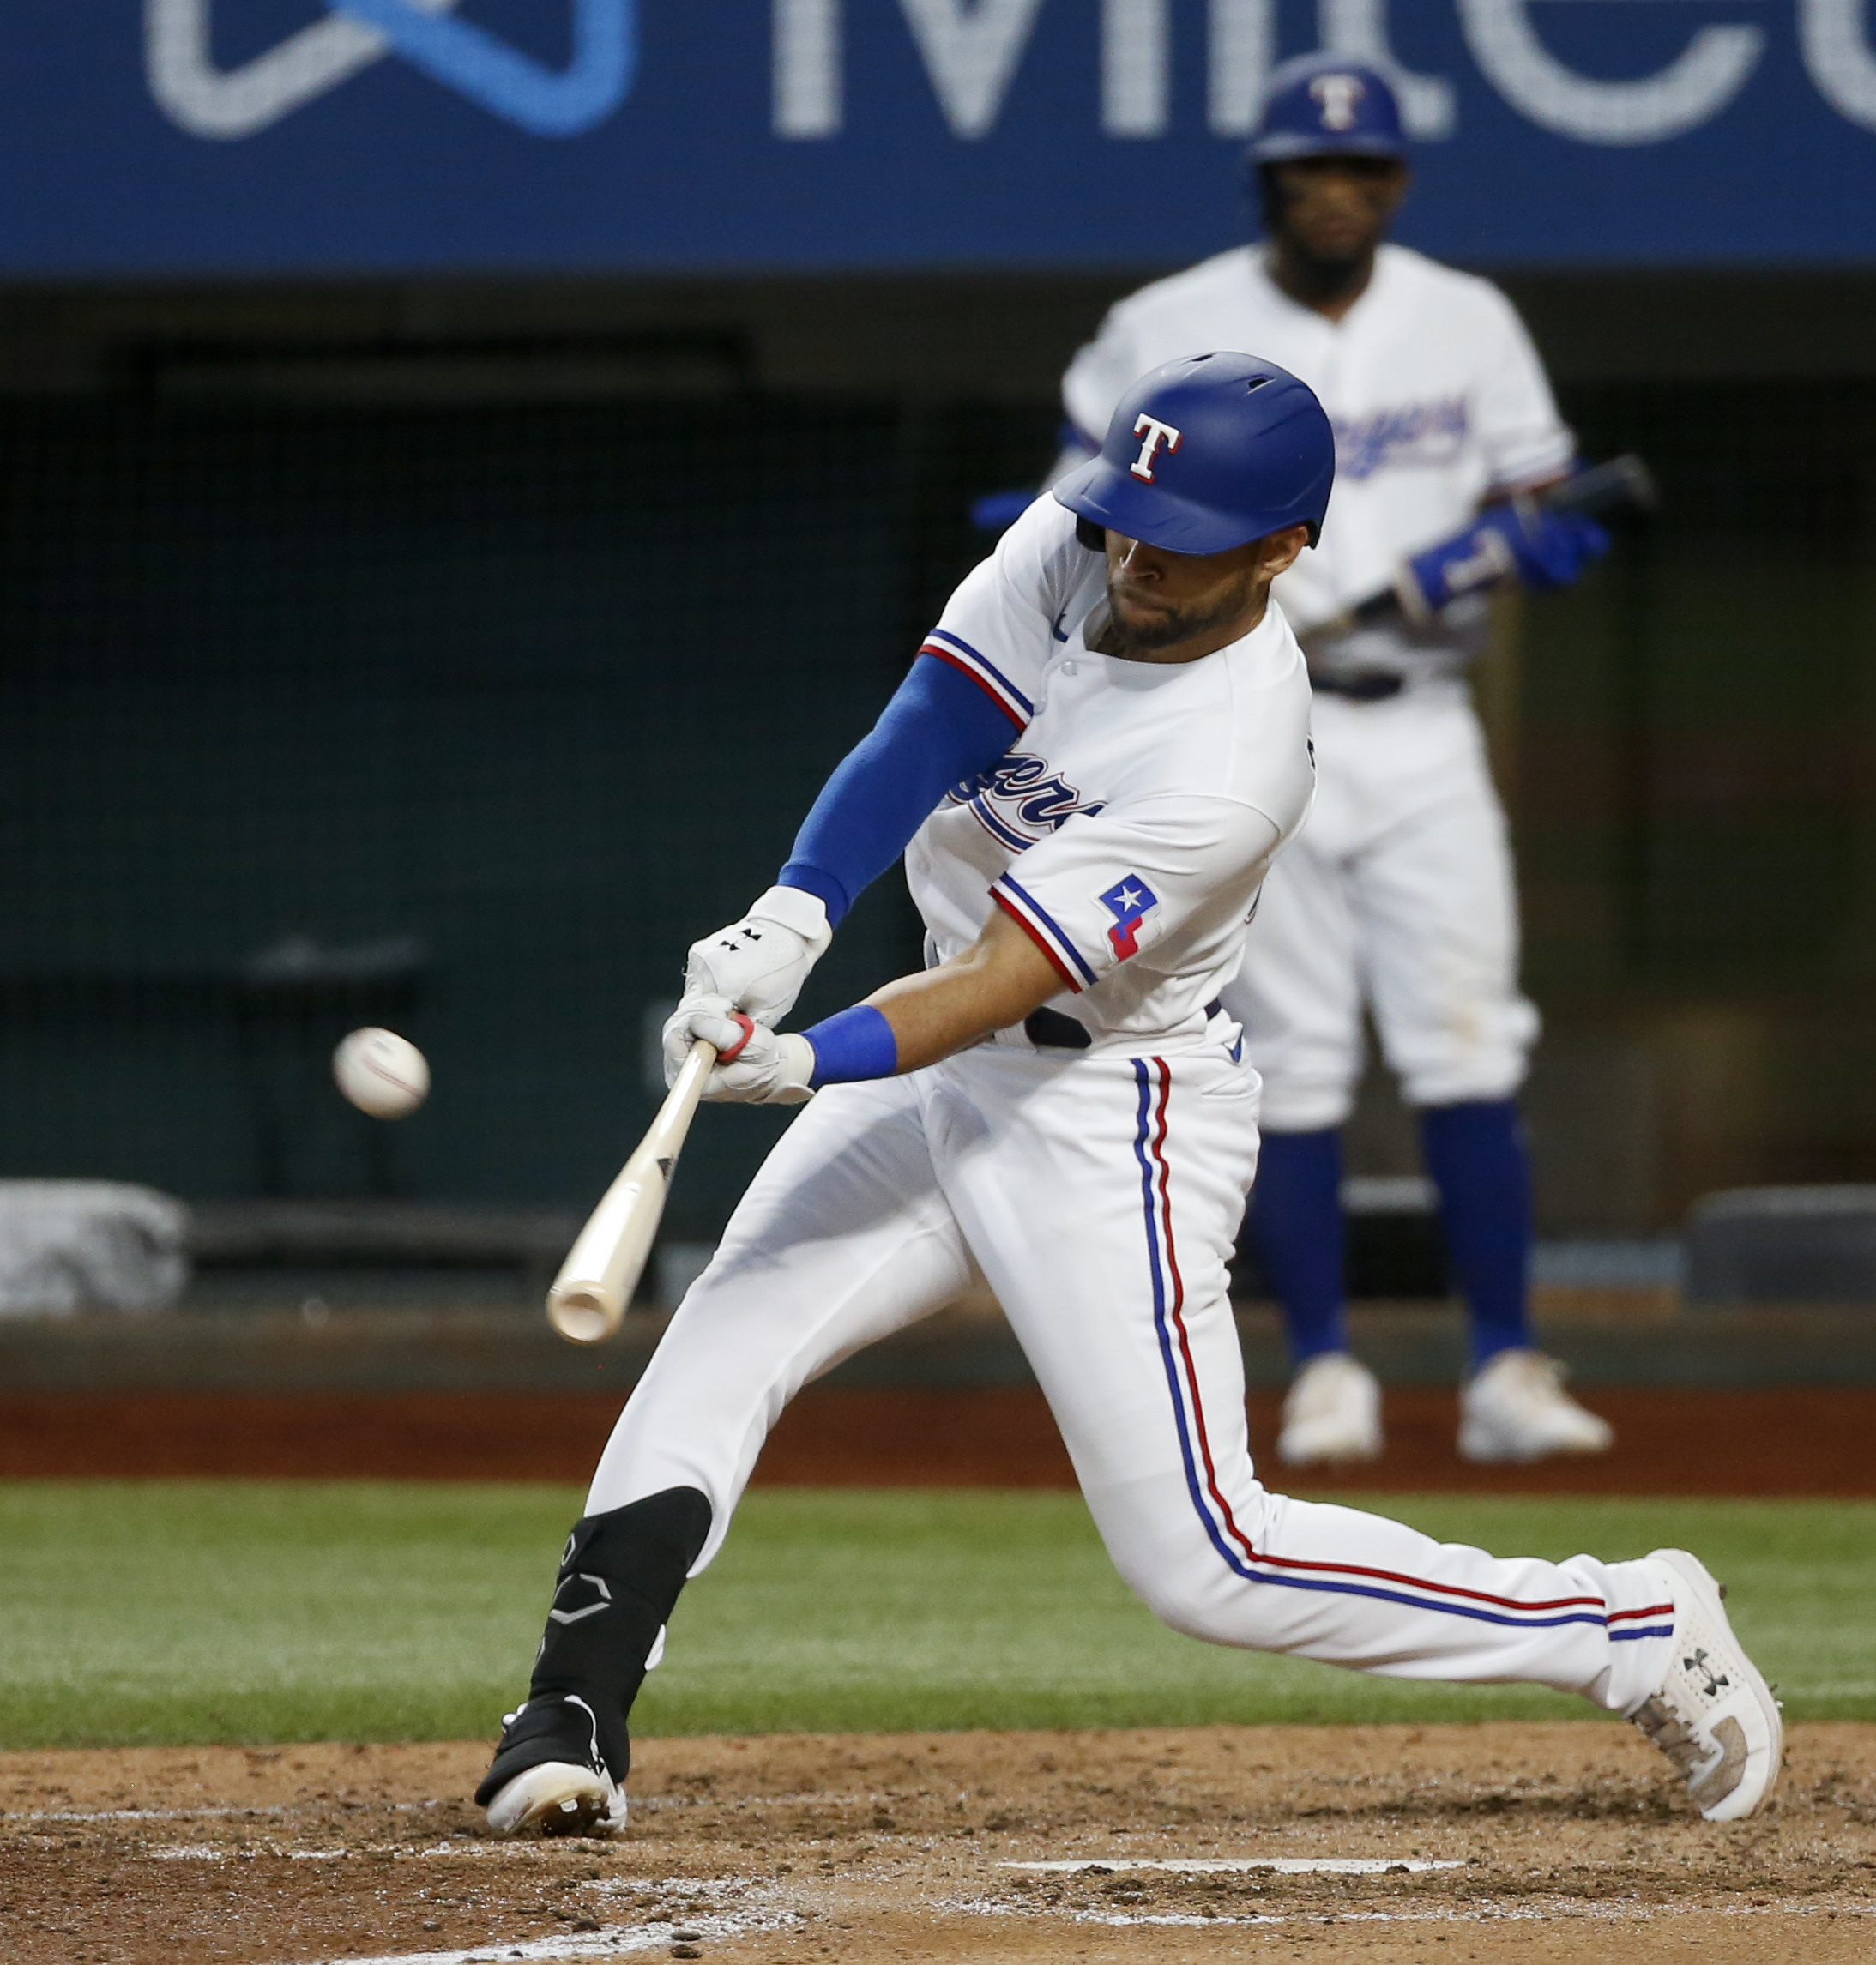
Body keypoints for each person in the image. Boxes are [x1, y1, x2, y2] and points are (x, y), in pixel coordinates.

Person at [474, 354, 1780, 1841]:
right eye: (1131, 516)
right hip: (934, 1055)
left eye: (1191, 532)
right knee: (726, 1331)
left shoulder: (1231, 762)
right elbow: (927, 726)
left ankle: (1627, 1627)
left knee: (1206, 1564)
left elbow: (1003, 978)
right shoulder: (1083, 535)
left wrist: (805, 1057)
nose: (1142, 553)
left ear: (1285, 548)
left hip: (1111, 1112)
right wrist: (793, 913)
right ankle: (568, 1717)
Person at [1059, 55, 1615, 1468]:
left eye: (1363, 170)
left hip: (1425, 717)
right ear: (1269, 182)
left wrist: (1516, 540)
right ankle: (1322, 1367)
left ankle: (1504, 1365)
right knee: (1295, 1061)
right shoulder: (1168, 323)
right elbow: (1073, 500)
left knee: (1470, 1038)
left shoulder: (1465, 317)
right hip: (1250, 718)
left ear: (1397, 184)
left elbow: (1536, 491)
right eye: (1312, 168)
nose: (1338, 193)